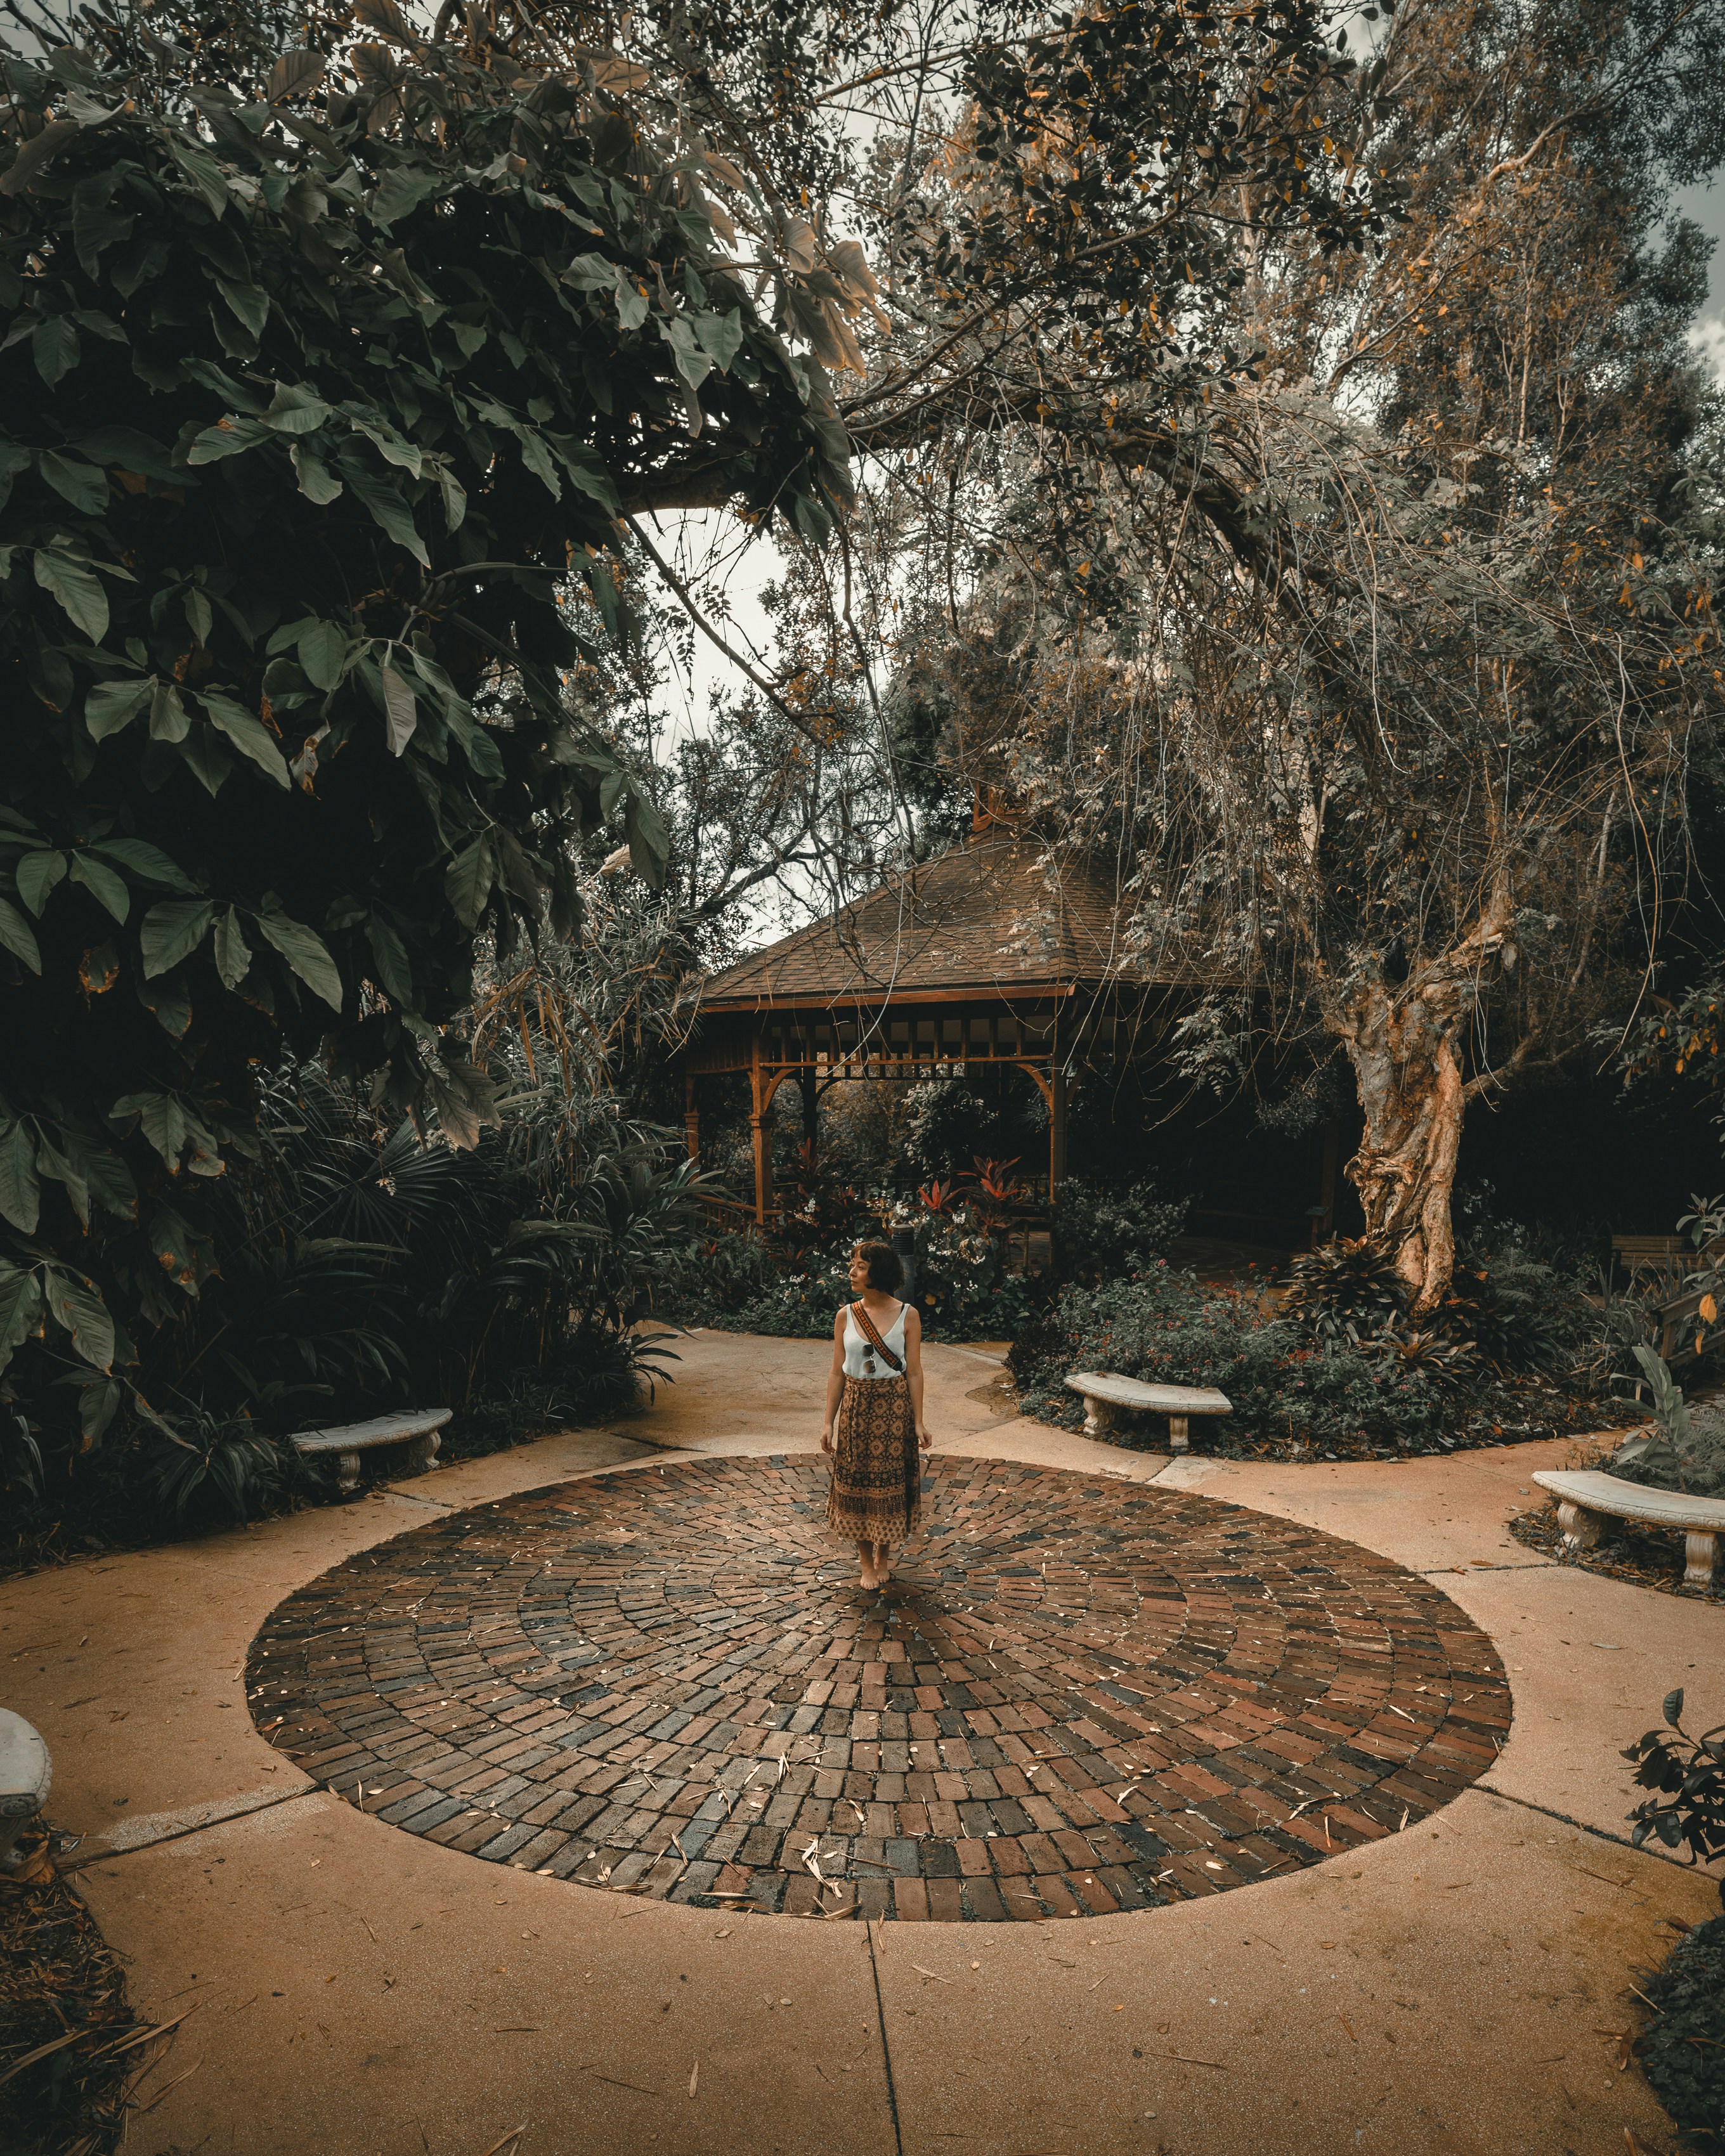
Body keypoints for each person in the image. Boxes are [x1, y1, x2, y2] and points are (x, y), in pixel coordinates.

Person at [821, 1240, 931, 1590]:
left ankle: (885, 1554)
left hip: (894, 1409)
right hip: (856, 1408)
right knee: (856, 1485)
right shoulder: (846, 1315)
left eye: (861, 1266)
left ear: (878, 1273)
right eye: (853, 1265)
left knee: (889, 1485)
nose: (852, 1272)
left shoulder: (908, 1315)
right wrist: (828, 1422)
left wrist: (918, 1420)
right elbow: (837, 1371)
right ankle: (866, 1562)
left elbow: (914, 1371)